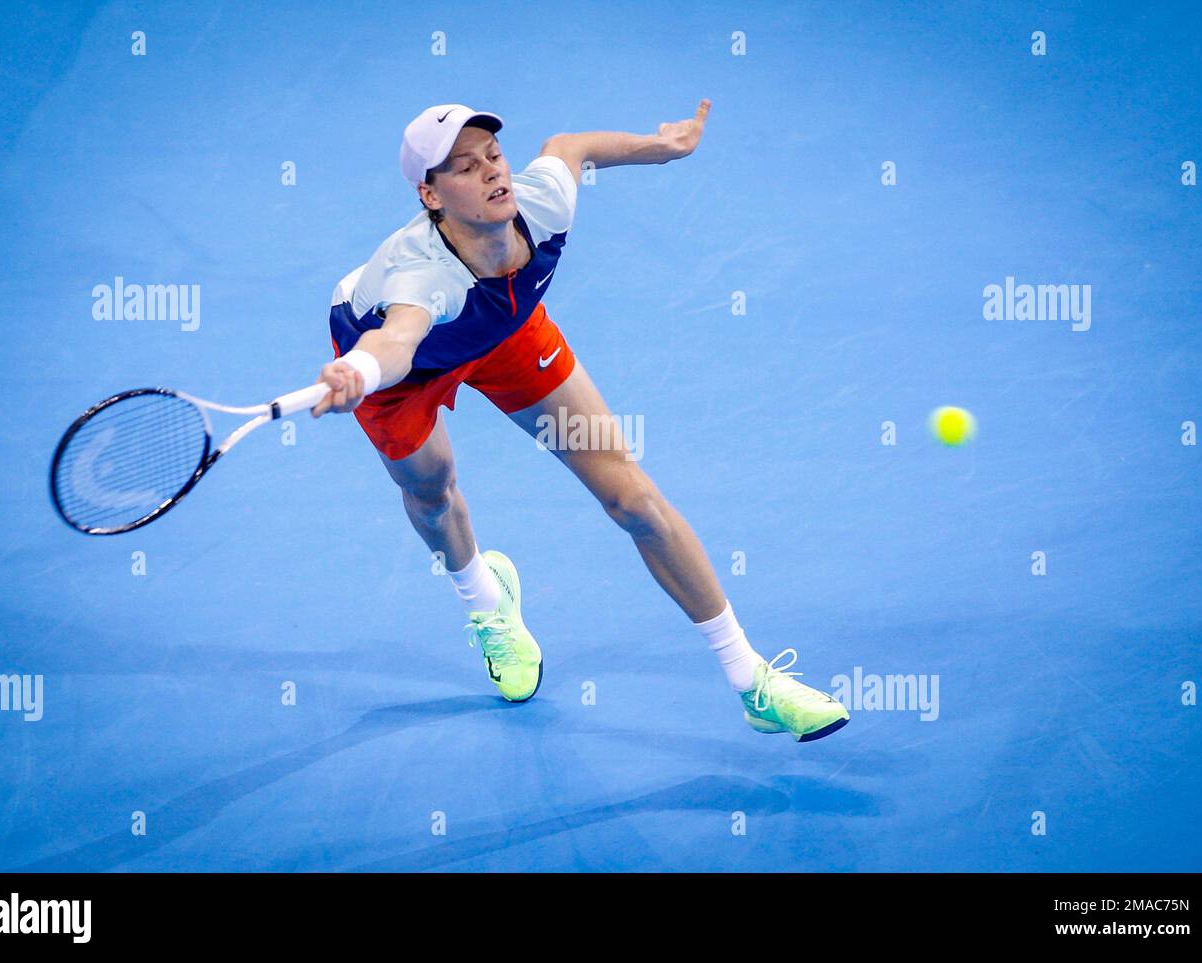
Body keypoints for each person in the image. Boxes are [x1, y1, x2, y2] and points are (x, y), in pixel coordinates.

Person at [309, 100, 848, 742]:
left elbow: (571, 145)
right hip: (404, 371)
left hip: (507, 333)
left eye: (492, 157)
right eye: (463, 167)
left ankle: (750, 680)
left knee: (635, 501)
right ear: (430, 195)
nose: (490, 173)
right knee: (431, 491)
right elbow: (397, 341)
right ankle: (485, 600)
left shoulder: (541, 206)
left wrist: (663, 146)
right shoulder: (423, 279)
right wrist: (360, 372)